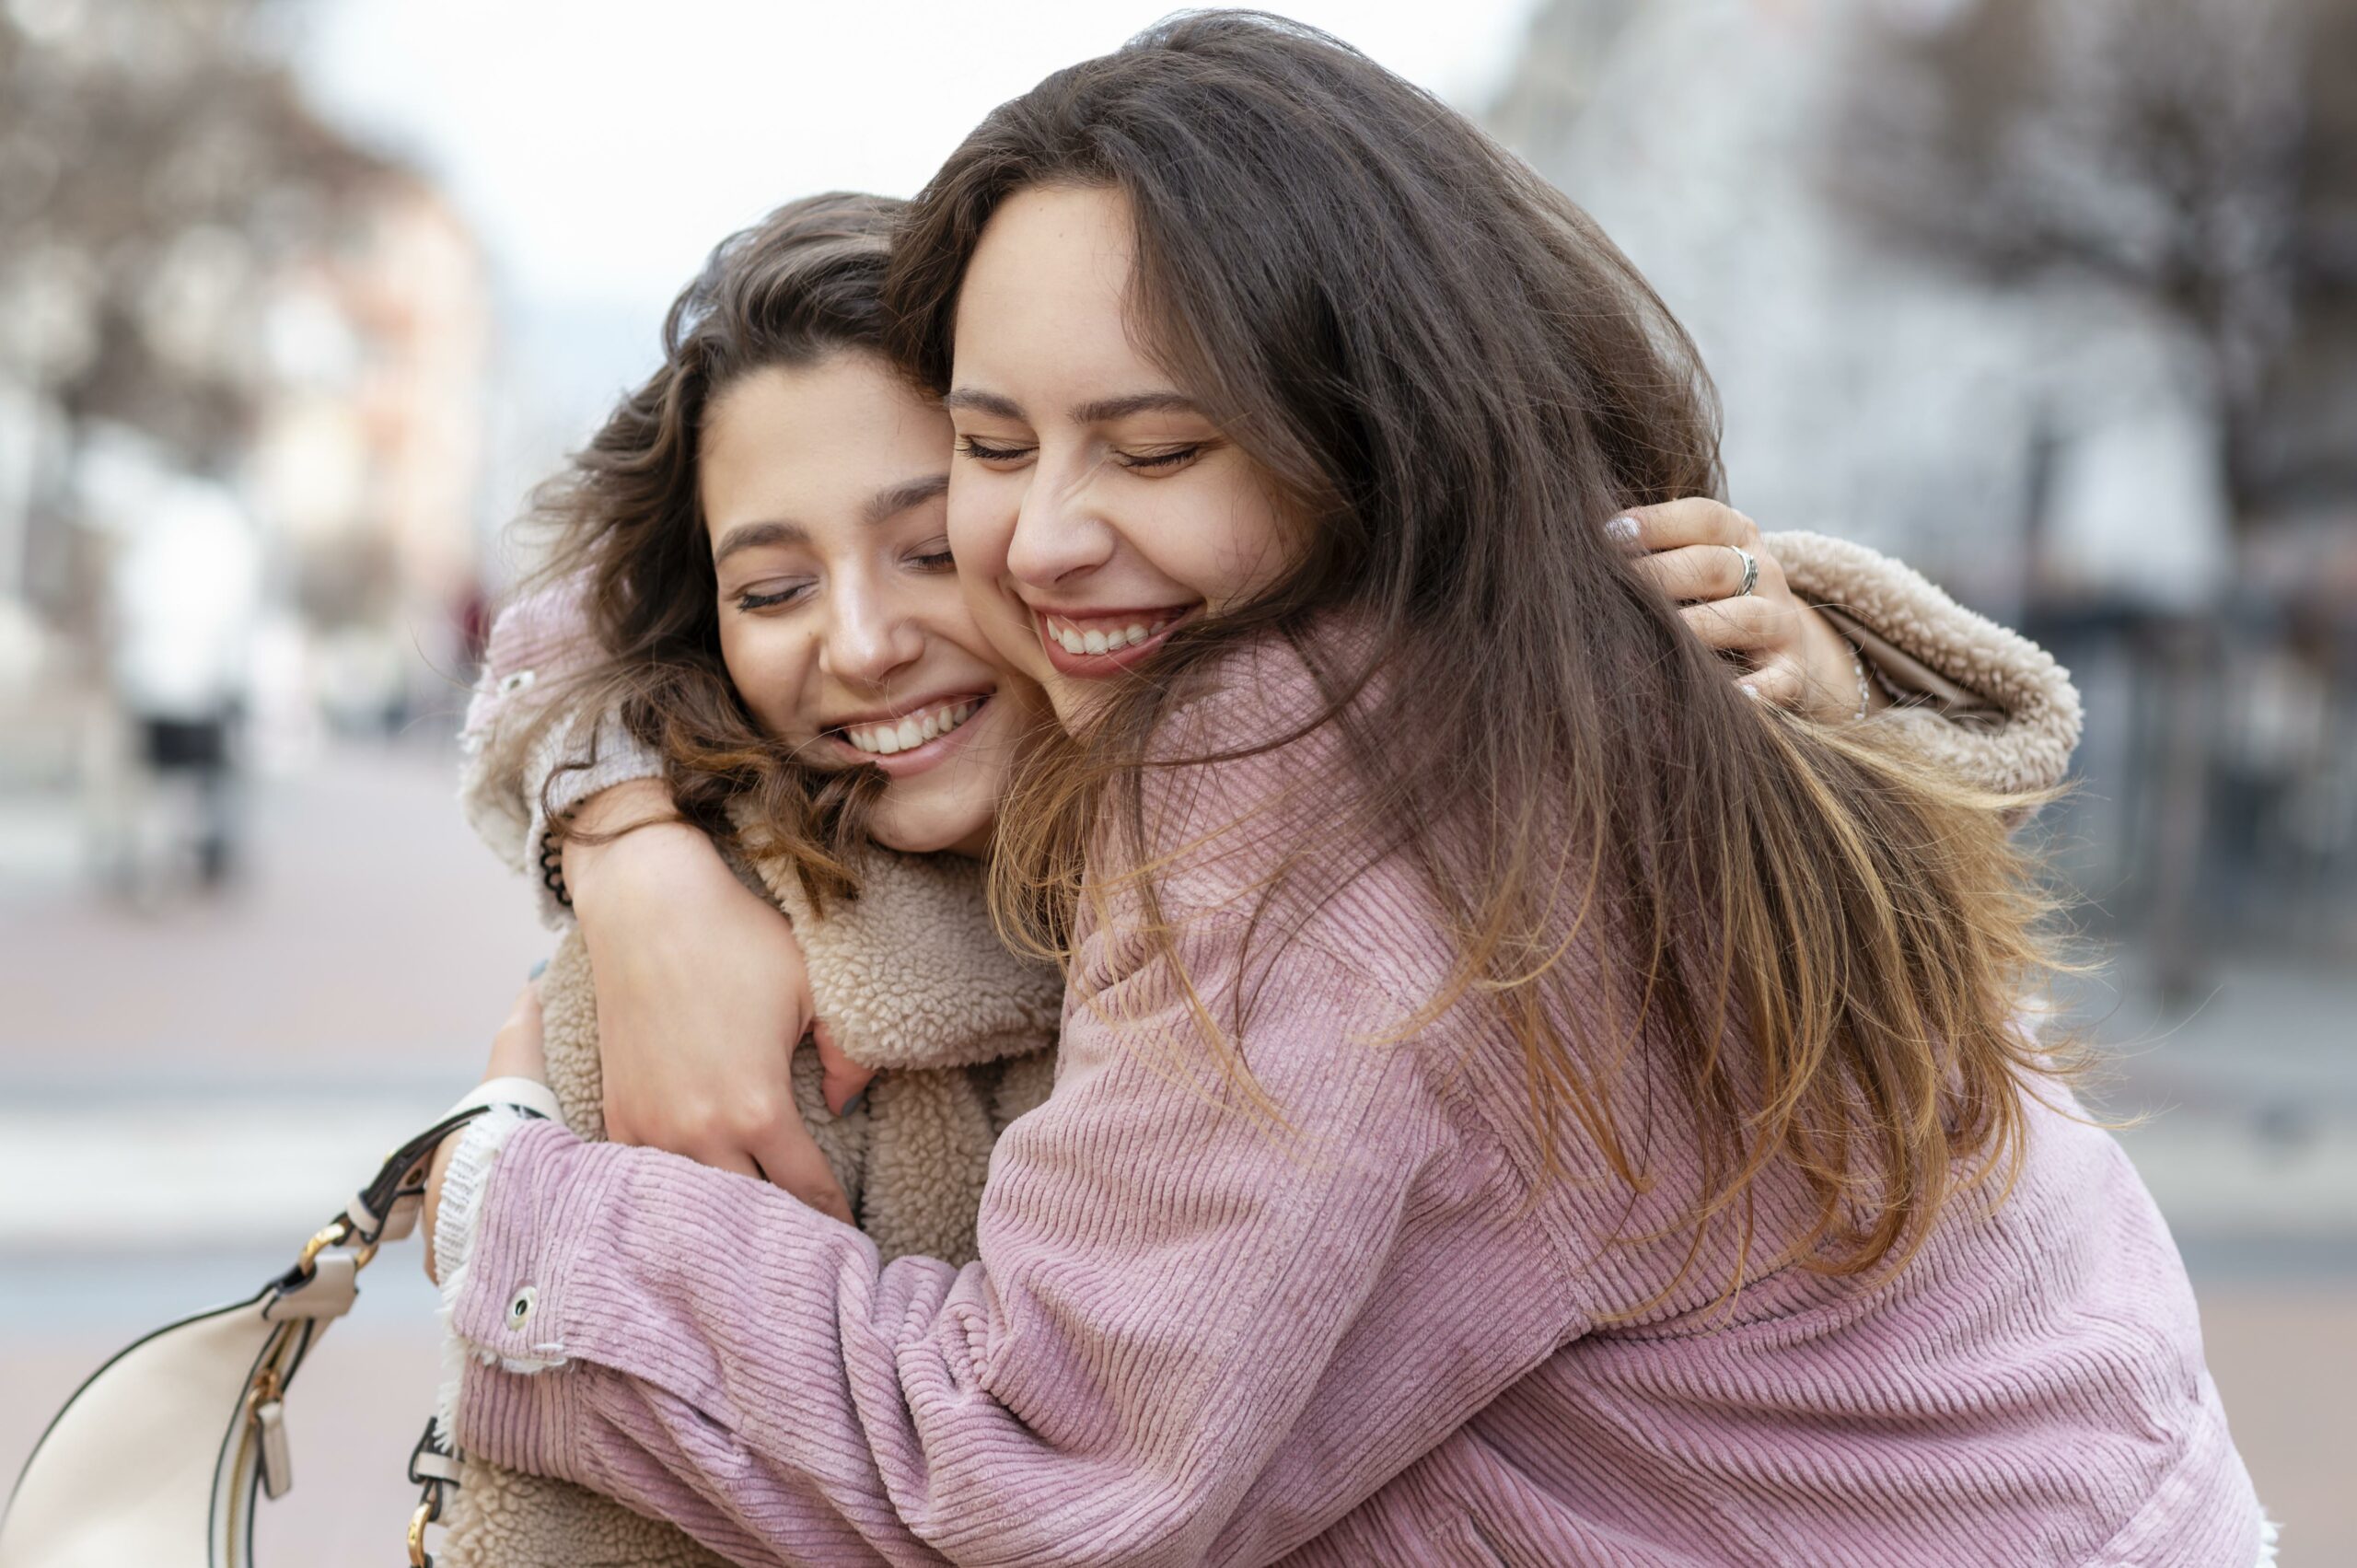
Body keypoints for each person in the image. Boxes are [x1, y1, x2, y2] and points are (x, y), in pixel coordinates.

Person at [428, 16, 2257, 1564]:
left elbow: (1030, 1468)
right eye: (994, 445)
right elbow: (636, 545)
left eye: (1151, 448)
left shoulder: (1309, 767)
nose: (1039, 540)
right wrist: (626, 832)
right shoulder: (1547, 638)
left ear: (1362, 432)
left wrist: (501, 1207)